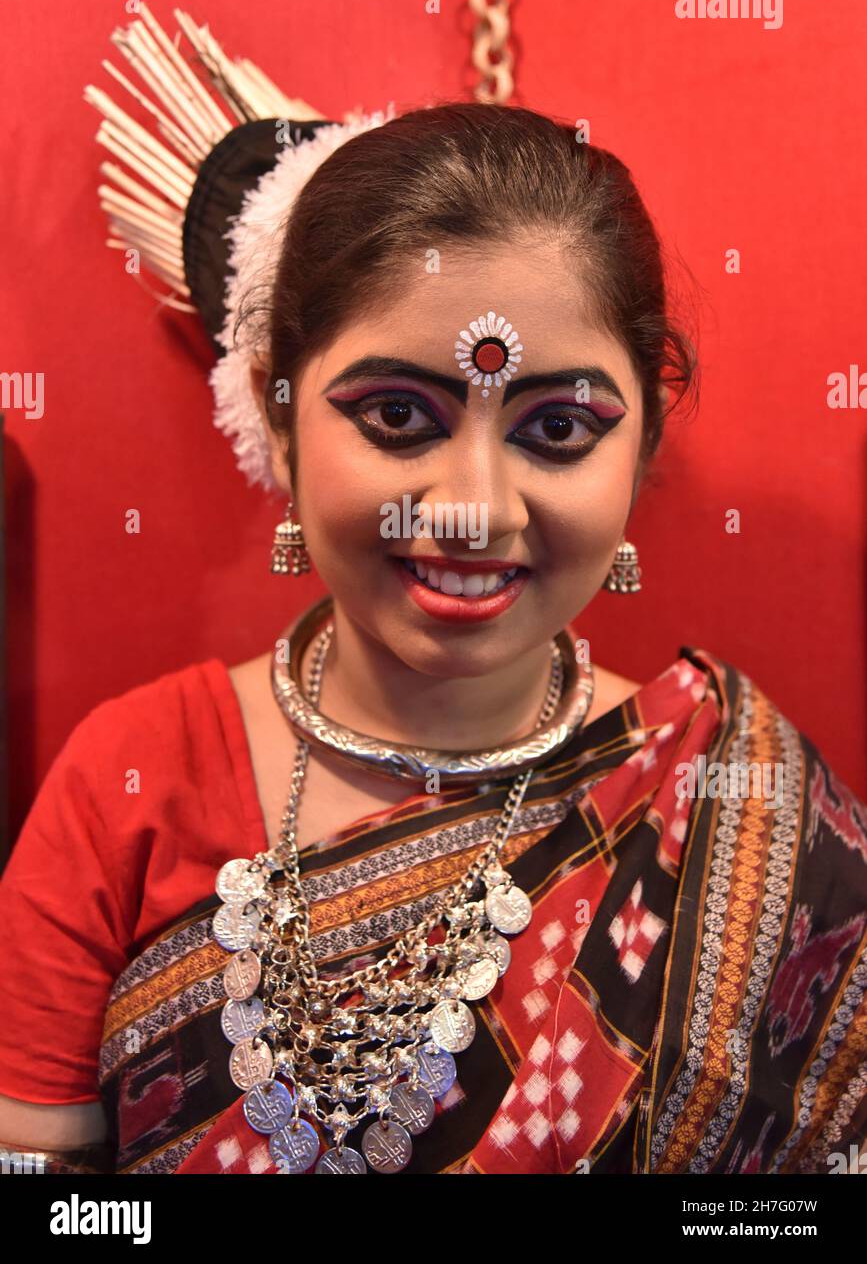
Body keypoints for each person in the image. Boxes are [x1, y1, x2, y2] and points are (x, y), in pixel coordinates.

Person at [0, 104, 864, 1175]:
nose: (473, 508)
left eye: (557, 430)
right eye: (399, 418)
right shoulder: (125, 786)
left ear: (642, 445)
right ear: (279, 415)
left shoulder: (741, 801)